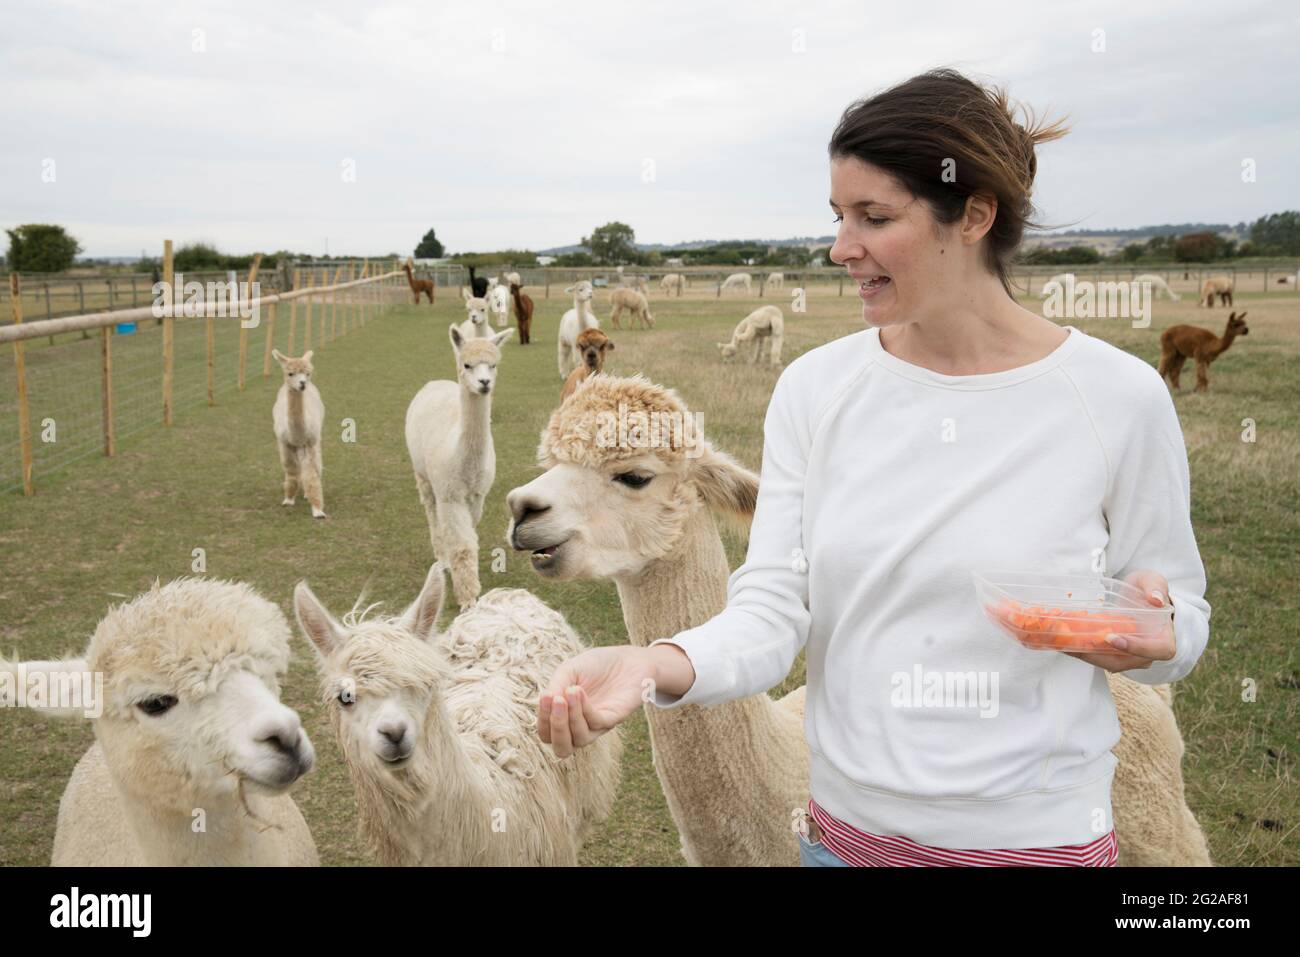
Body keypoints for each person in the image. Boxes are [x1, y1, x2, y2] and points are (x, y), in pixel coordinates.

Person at [534, 69, 1211, 867]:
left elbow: (1181, 618)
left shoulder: (1116, 398)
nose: (840, 246)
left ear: (974, 215)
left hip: (1041, 847)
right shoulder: (817, 392)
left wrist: (1150, 634)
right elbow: (773, 610)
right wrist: (654, 663)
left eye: (874, 217)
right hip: (842, 846)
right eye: (838, 216)